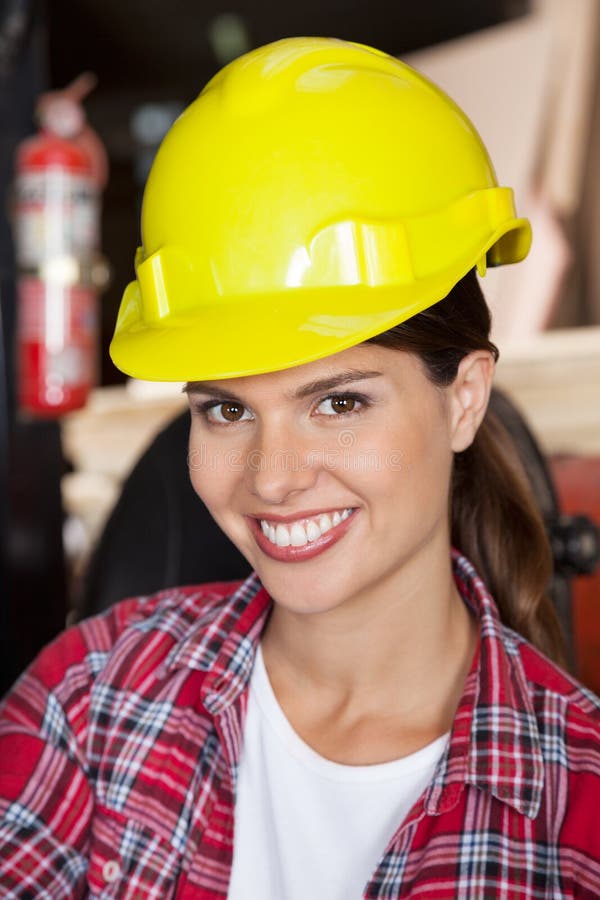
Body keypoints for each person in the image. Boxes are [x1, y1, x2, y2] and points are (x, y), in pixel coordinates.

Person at [1, 36, 600, 899]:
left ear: (464, 399)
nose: (273, 478)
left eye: (339, 402)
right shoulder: (90, 702)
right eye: (227, 409)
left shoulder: (575, 807)